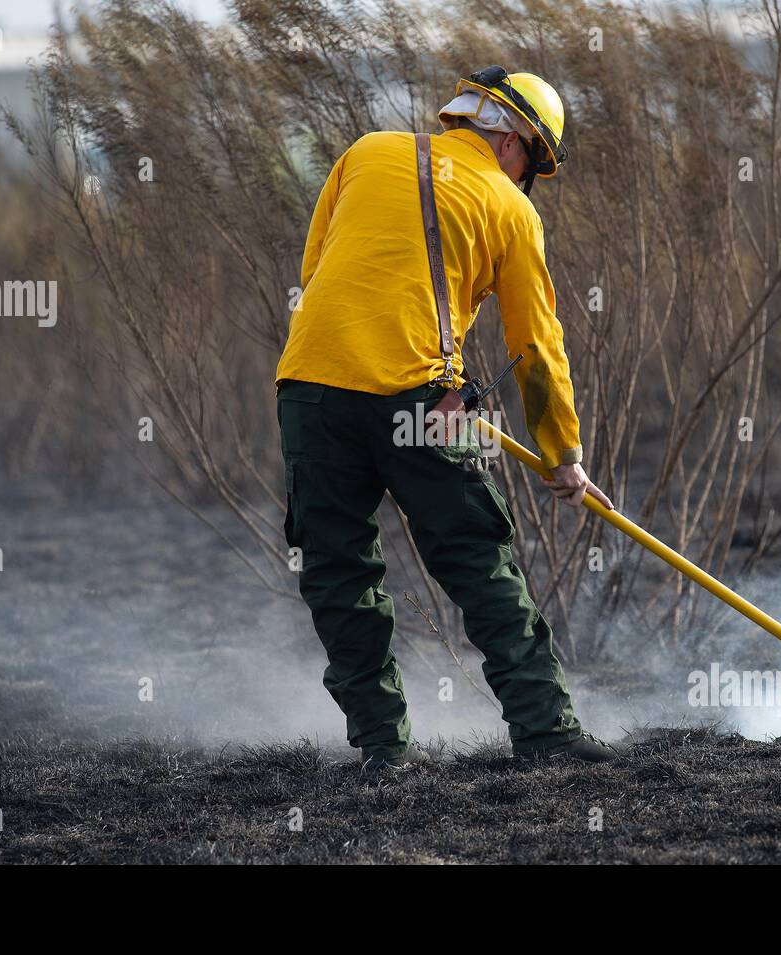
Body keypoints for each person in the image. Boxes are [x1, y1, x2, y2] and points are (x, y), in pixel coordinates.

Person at [275, 67, 615, 774]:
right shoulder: (512, 210)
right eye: (535, 163)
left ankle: (381, 747)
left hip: (310, 386)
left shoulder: (364, 151)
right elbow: (534, 344)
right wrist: (563, 453)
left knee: (339, 571)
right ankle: (547, 732)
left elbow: (317, 267)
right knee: (476, 559)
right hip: (422, 403)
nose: (530, 179)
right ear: (515, 139)